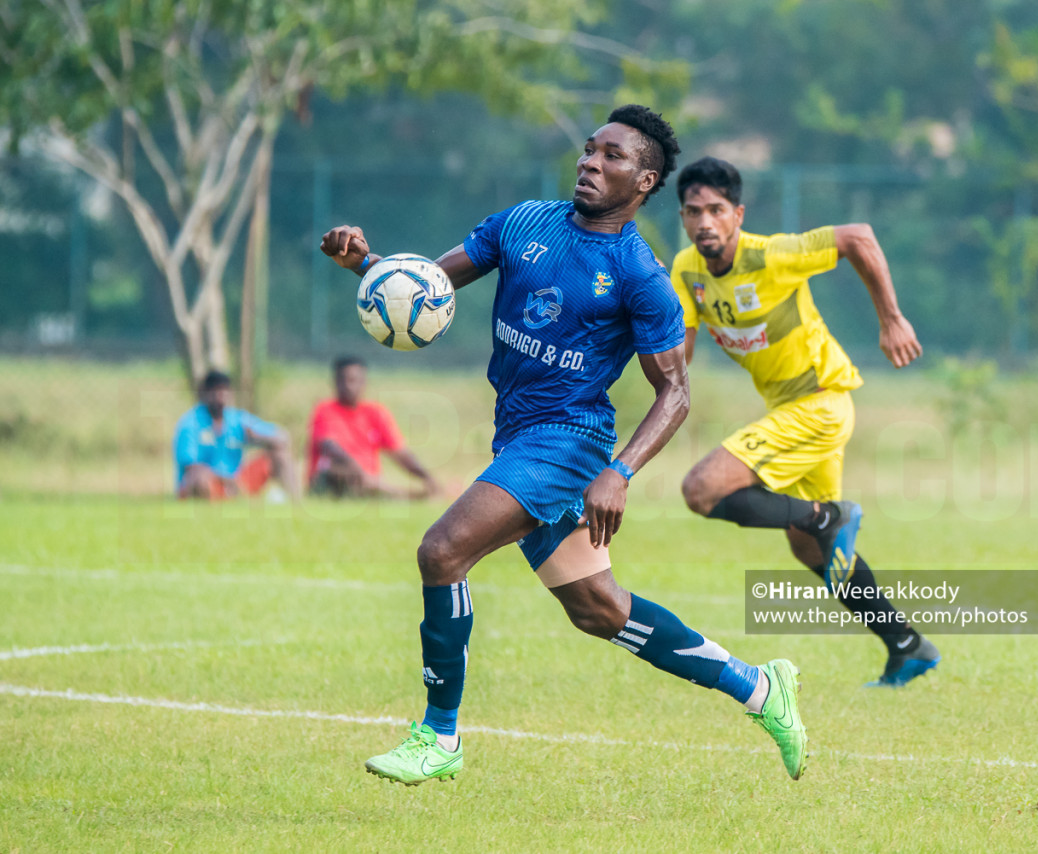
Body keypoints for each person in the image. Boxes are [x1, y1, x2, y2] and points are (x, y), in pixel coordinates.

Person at [320, 105, 808, 784]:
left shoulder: (640, 274)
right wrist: (366, 265)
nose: (590, 163)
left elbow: (676, 392)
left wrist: (620, 472)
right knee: (598, 609)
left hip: (569, 442)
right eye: (588, 150)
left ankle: (439, 736)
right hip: (518, 435)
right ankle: (760, 687)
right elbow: (427, 287)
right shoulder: (524, 223)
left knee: (442, 551)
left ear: (643, 182)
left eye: (611, 157)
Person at [671, 156, 940, 687]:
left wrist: (891, 319)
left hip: (820, 402)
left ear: (738, 214)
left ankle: (827, 516)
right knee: (806, 545)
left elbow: (858, 237)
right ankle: (906, 645)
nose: (705, 222)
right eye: (693, 211)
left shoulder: (772, 255)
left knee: (702, 489)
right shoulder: (687, 271)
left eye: (716, 210)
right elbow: (681, 355)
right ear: (682, 217)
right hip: (789, 412)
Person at [307, 356, 442, 499]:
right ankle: (401, 495)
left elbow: (400, 453)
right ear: (335, 382)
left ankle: (395, 493)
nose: (348, 386)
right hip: (334, 479)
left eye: (353, 381)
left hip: (368, 481)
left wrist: (427, 477)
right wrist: (359, 472)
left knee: (361, 480)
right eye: (343, 381)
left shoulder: (376, 412)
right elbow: (329, 446)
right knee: (339, 470)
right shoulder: (325, 409)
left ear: (364, 382)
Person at [173, 370, 299, 501]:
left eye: (224, 391)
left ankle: (296, 502)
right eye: (215, 391)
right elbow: (191, 467)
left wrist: (260, 438)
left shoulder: (237, 420)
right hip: (210, 483)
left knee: (280, 454)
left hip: (237, 483)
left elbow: (283, 437)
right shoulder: (191, 423)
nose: (220, 396)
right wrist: (226, 480)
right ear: (204, 394)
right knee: (199, 478)